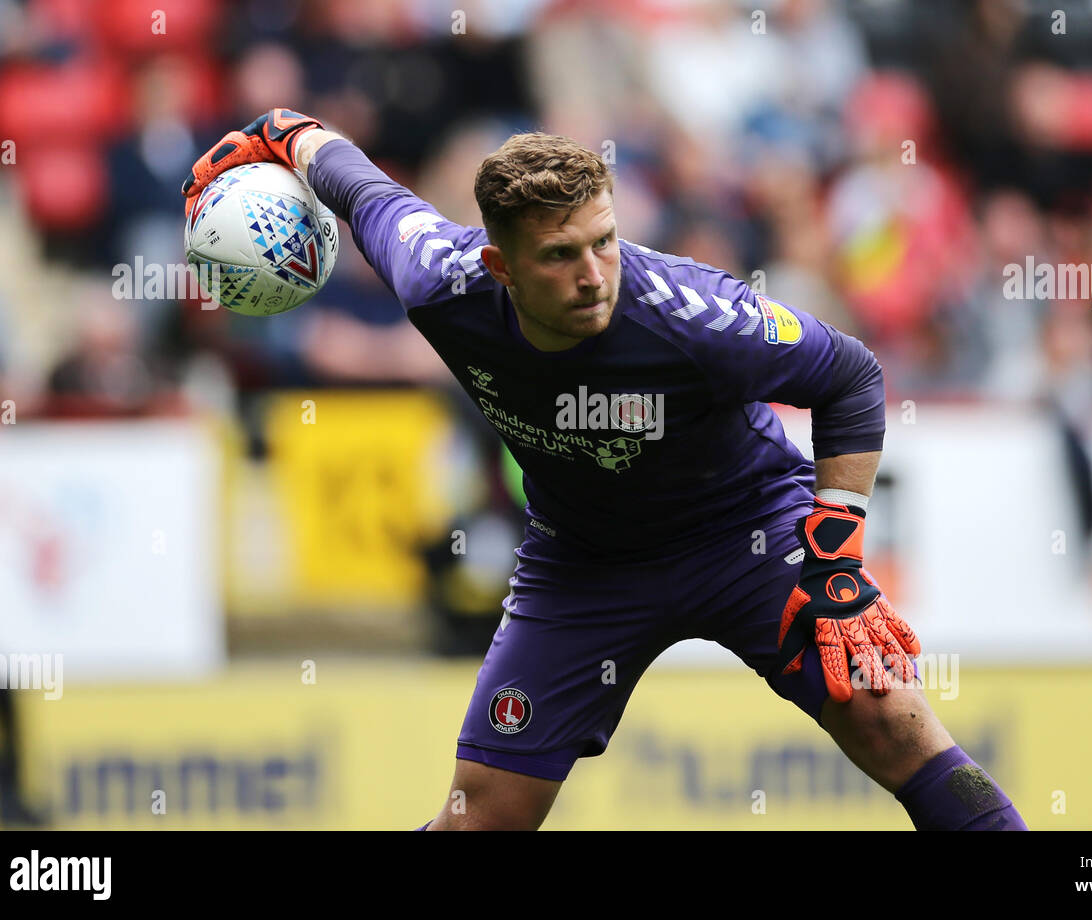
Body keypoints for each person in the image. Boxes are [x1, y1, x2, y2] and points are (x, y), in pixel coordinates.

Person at [183, 110, 1027, 831]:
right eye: (559, 257)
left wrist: (836, 561)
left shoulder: (699, 319)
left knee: (892, 723)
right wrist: (276, 131)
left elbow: (850, 375)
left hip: (748, 536)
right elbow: (355, 182)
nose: (594, 277)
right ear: (498, 267)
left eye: (605, 242)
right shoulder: (437, 282)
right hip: (582, 565)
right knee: (487, 811)